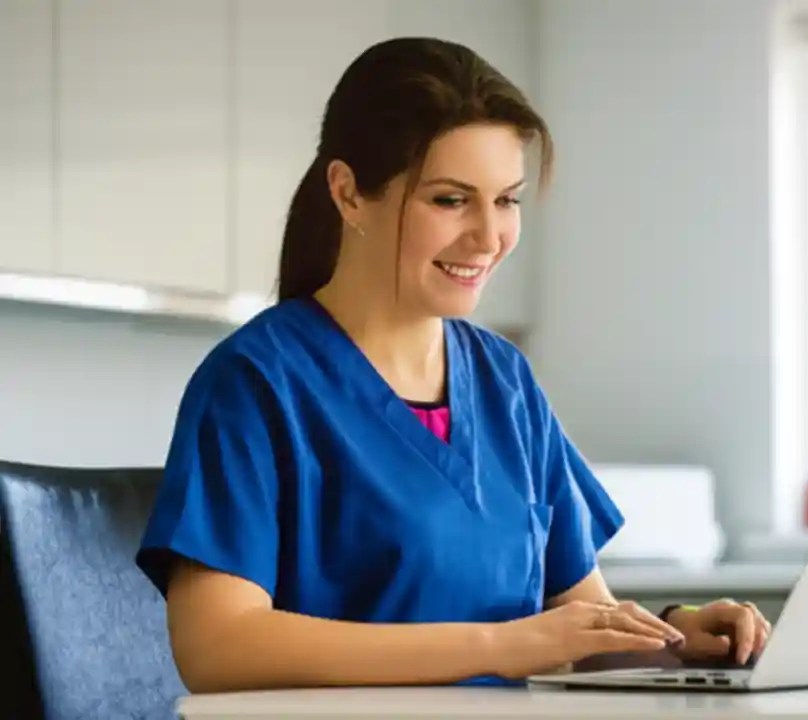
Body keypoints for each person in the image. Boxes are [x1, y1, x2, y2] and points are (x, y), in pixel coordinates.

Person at [136, 37, 770, 692]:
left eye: (507, 200)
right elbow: (218, 646)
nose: (490, 237)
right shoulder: (257, 383)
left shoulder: (505, 382)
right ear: (349, 194)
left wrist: (674, 635)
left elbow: (574, 619)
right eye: (450, 199)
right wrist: (498, 645)